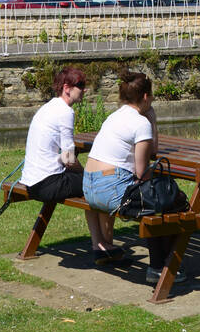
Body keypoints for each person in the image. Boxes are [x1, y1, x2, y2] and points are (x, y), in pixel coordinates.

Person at [83, 70, 186, 286]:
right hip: (110, 190)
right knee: (168, 202)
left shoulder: (114, 116)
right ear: (146, 97)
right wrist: (153, 120)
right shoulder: (141, 123)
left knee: (158, 197)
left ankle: (159, 265)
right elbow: (142, 171)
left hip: (89, 188)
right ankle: (159, 268)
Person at [21, 65, 124, 267]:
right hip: (48, 183)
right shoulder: (65, 112)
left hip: (31, 180)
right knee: (96, 184)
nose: (84, 90)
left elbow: (63, 156)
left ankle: (100, 245)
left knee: (89, 183)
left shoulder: (49, 107)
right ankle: (102, 246)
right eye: (80, 85)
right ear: (67, 87)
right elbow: (68, 158)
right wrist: (86, 173)